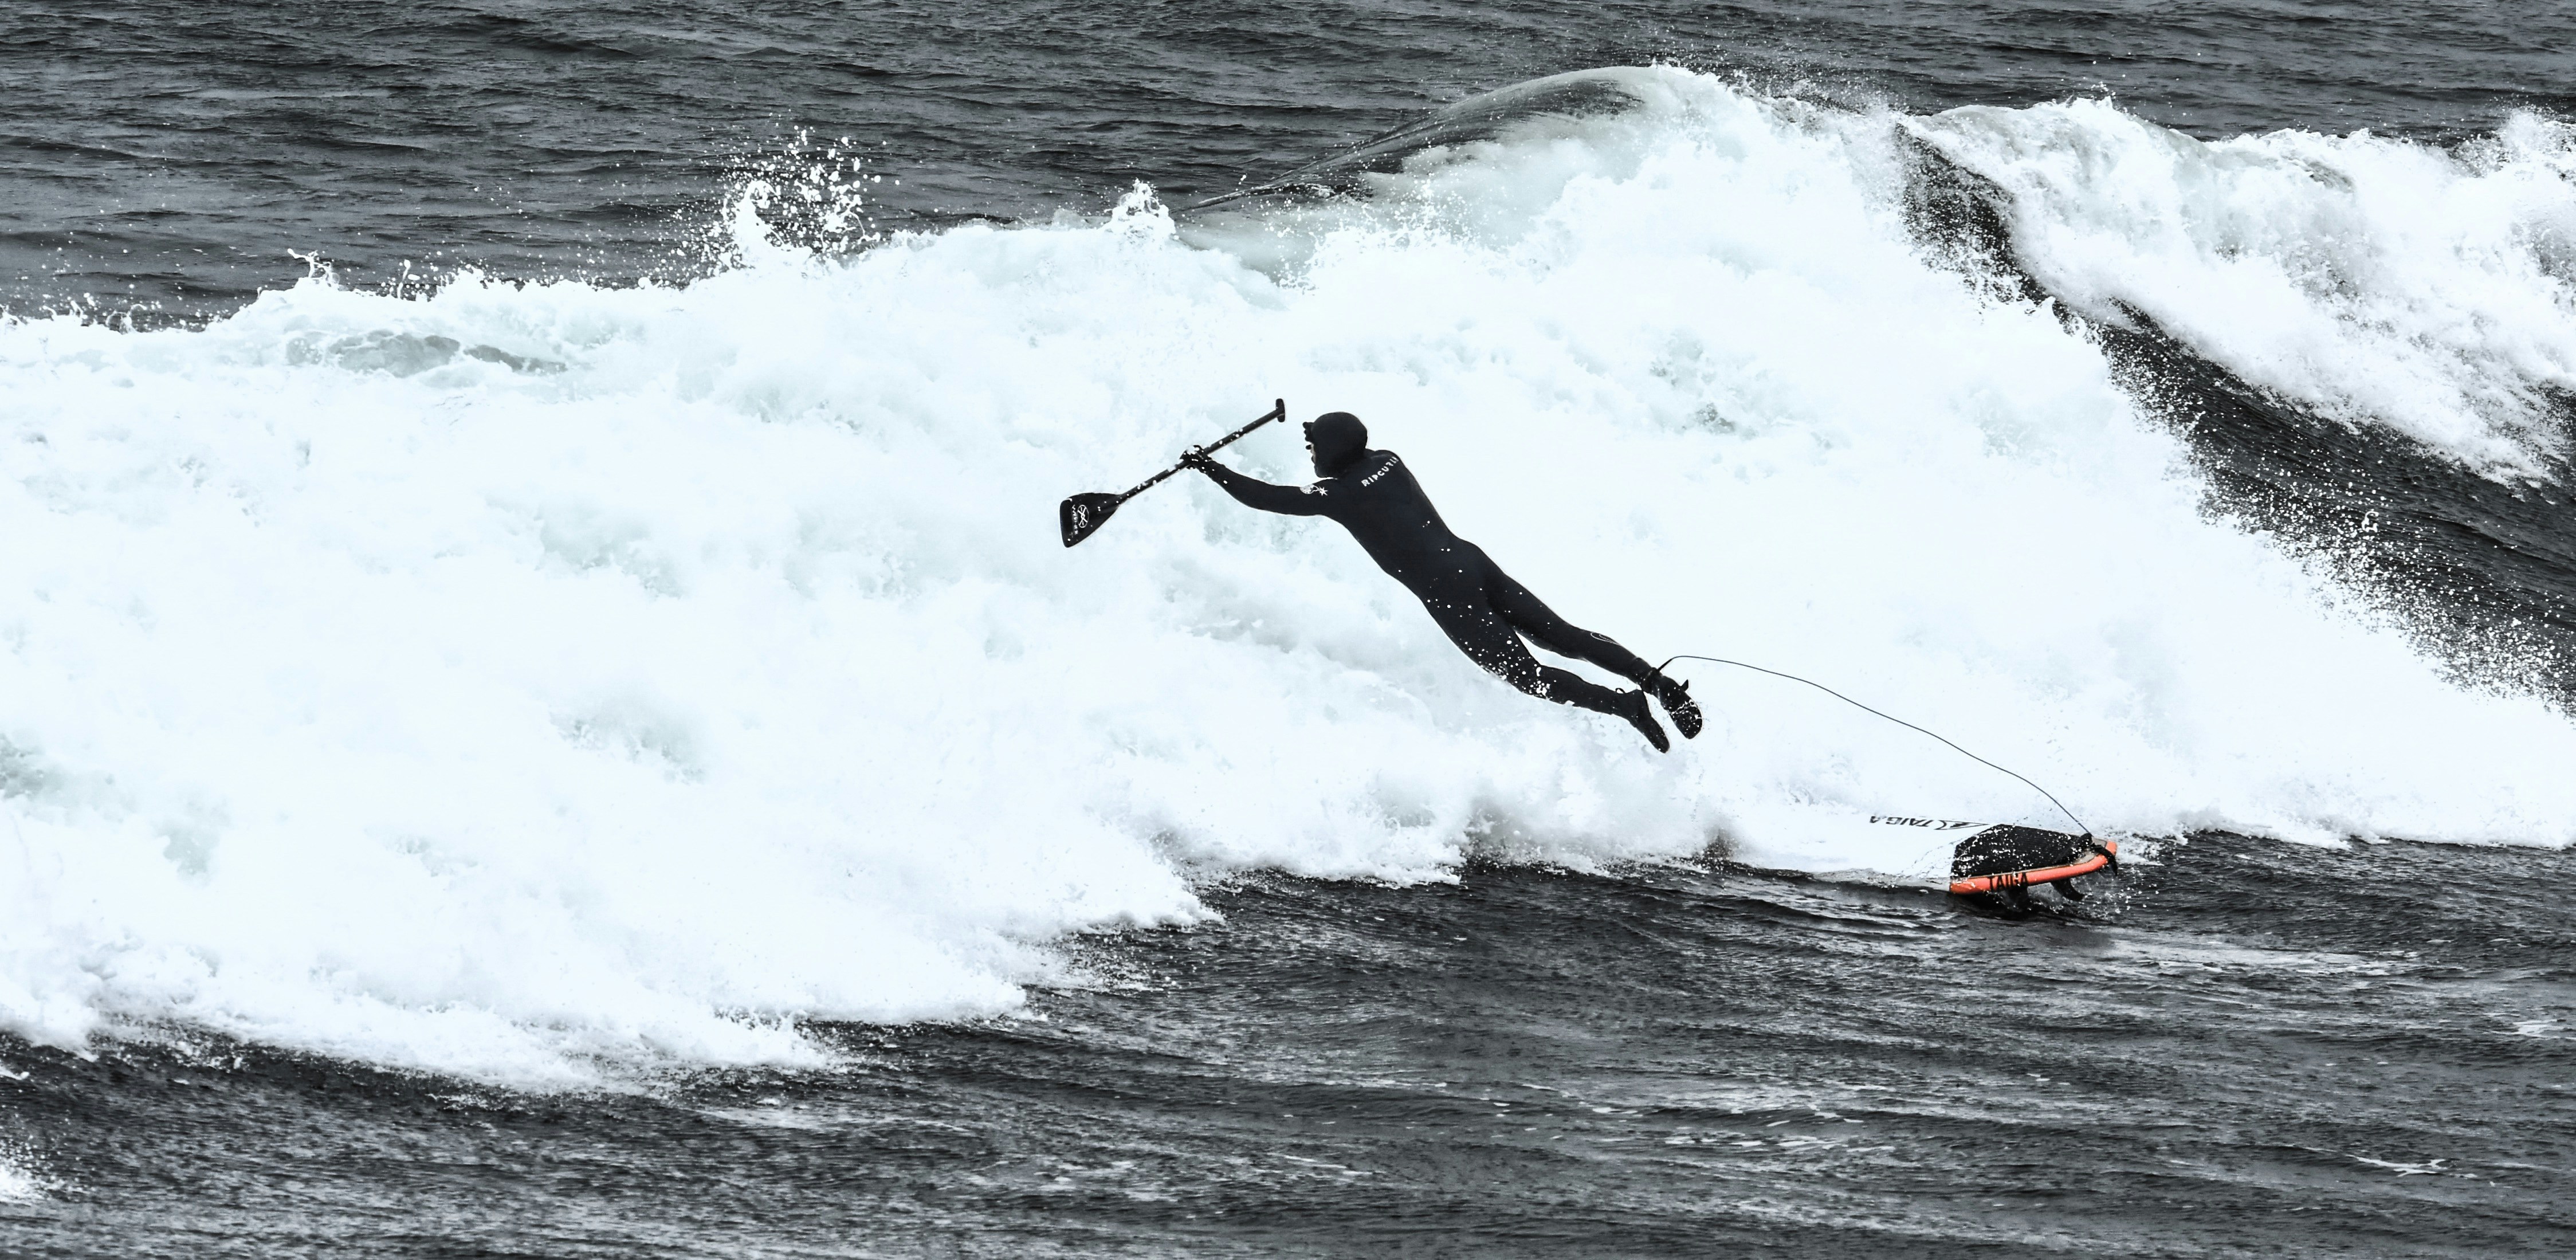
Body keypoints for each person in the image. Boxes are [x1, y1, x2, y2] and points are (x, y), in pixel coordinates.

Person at [1183, 411, 1701, 752]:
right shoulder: (1389, 461)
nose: (1311, 455)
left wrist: (1211, 469)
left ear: (1334, 451)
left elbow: (1267, 498)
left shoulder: (1337, 494)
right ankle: (1657, 682)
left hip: (1448, 591)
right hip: (1472, 561)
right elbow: (1346, 447)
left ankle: (1626, 705)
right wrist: (1321, 429)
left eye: (1315, 447)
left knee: (1531, 677)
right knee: (1564, 636)